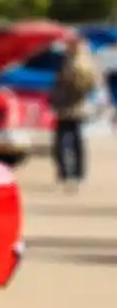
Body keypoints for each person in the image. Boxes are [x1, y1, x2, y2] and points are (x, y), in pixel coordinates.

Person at [50, 36, 100, 192]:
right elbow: (93, 85)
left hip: (65, 108)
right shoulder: (88, 63)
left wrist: (55, 99)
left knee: (62, 141)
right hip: (81, 108)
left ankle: (66, 173)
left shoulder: (68, 64)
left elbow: (61, 87)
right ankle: (79, 173)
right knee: (78, 141)